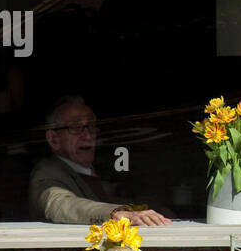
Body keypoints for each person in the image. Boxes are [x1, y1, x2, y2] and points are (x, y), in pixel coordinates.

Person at [28, 95, 171, 226]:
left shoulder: (91, 170)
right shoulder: (47, 172)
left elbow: (108, 200)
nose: (88, 135)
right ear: (53, 139)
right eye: (76, 127)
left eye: (91, 126)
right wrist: (115, 213)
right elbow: (61, 205)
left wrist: (158, 210)